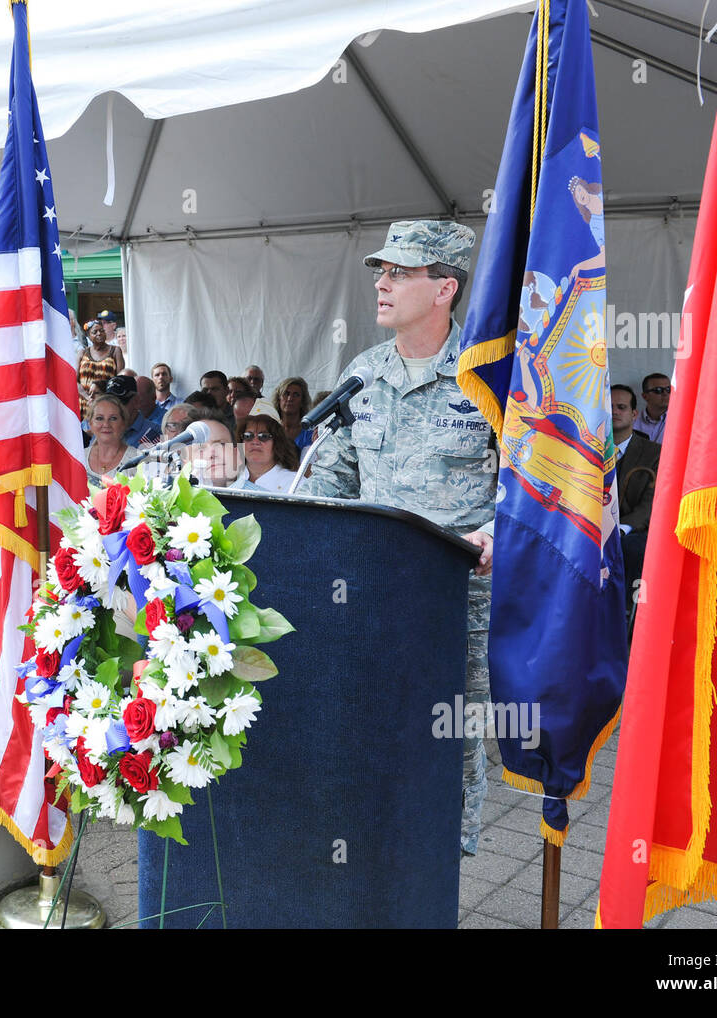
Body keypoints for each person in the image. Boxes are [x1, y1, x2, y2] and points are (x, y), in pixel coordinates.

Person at [299, 219, 495, 856]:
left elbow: (535, 485)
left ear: (444, 289)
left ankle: (443, 868)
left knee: (451, 746)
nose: (381, 283)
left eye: (399, 272)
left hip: (454, 602)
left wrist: (493, 532)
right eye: (381, 271)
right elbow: (332, 474)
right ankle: (371, 858)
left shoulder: (490, 376)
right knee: (366, 728)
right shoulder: (363, 373)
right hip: (367, 597)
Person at [611, 383, 661, 603]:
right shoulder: (584, 449)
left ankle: (623, 618)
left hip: (633, 531)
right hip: (590, 527)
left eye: (621, 407)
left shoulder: (655, 453)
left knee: (630, 549)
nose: (614, 411)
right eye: (608, 406)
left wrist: (621, 529)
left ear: (634, 415)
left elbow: (652, 503)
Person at [230, 402, 299, 493]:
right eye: (248, 436)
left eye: (263, 436)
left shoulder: (296, 484)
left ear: (278, 442)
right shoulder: (227, 480)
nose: (255, 442)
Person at [84, 394, 139, 485]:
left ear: (123, 423)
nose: (106, 424)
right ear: (90, 423)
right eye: (99, 418)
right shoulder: (80, 458)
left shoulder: (137, 461)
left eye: (113, 418)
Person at [77, 319, 124, 419]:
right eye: (95, 332)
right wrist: (87, 397)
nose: (99, 333)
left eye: (101, 330)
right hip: (85, 404)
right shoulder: (82, 353)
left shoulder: (115, 351)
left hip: (106, 403)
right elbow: (74, 381)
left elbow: (120, 380)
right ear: (89, 336)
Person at [273, 376, 315, 451]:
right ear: (279, 398)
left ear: (302, 401)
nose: (290, 399)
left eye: (296, 395)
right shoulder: (269, 429)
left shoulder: (310, 433)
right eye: (286, 393)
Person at [634, 372, 670, 444]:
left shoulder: (682, 421)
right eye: (658, 390)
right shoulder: (633, 421)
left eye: (669, 389)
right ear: (645, 396)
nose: (665, 393)